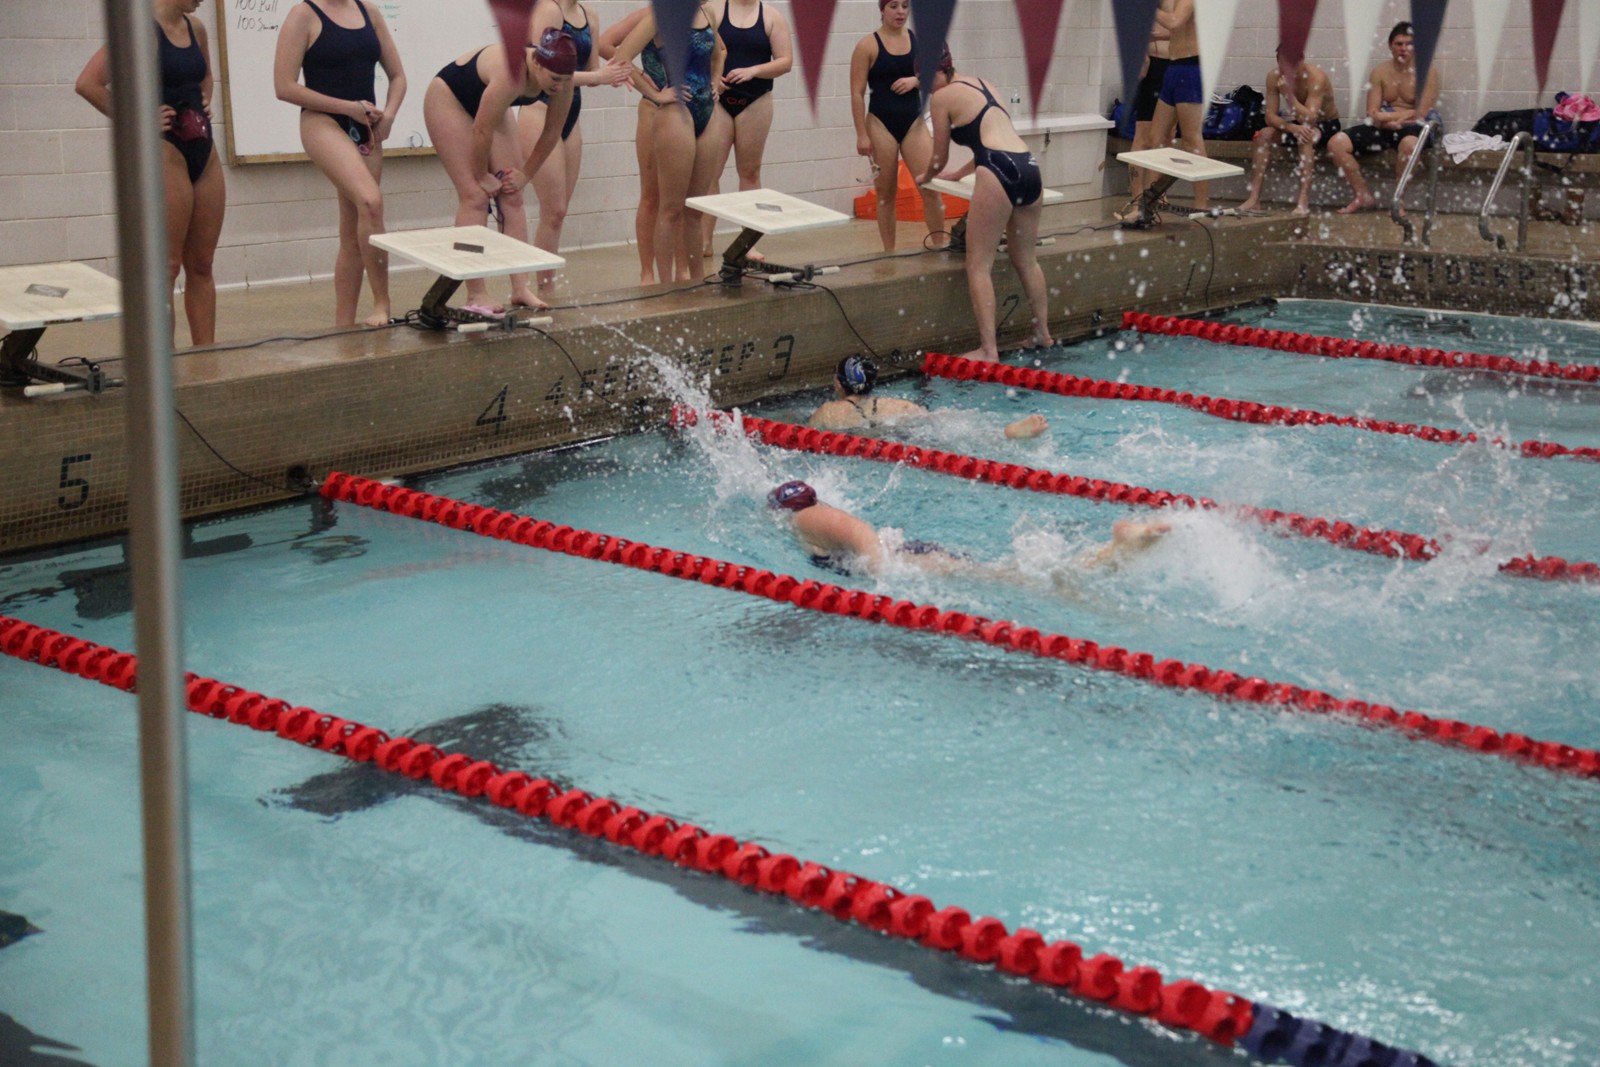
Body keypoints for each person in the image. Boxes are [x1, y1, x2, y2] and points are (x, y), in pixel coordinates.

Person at [76, 0, 225, 346]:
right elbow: (88, 83)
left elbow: (204, 75)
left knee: (202, 264)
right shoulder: (139, 30)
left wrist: (205, 99)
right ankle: (166, 368)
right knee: (167, 267)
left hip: (205, 150)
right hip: (165, 151)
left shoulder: (196, 28)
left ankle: (207, 361)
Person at [423, 28, 578, 313]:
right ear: (536, 63)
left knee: (512, 194)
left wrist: (526, 175)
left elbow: (551, 131)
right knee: (474, 196)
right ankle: (476, 291)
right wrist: (481, 174)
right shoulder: (513, 72)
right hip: (450, 99)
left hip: (492, 106)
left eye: (566, 80)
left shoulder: (563, 80)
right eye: (555, 80)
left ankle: (520, 288)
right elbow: (481, 130)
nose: (559, 87)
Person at [274, 0, 406, 327]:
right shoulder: (303, 15)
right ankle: (381, 304)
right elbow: (284, 87)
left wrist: (388, 115)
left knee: (353, 231)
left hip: (365, 125)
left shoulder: (369, 12)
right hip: (323, 122)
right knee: (370, 201)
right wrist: (346, 107)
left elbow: (398, 76)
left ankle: (343, 326)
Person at [915, 52, 1053, 362]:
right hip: (1028, 166)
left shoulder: (942, 97)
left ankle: (988, 350)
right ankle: (1042, 332)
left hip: (997, 170)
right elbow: (991, 138)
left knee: (978, 265)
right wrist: (961, 173)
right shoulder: (984, 84)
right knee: (1027, 260)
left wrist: (929, 176)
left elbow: (938, 156)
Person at [767, 480, 1169, 579]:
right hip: (913, 554)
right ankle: (1110, 555)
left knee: (1018, 578)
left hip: (911, 560)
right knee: (1011, 573)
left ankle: (1112, 552)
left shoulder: (803, 518)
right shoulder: (808, 513)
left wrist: (880, 570)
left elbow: (860, 533)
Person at [612, 2, 725, 284]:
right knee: (671, 208)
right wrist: (654, 93)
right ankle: (665, 287)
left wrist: (714, 81)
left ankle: (696, 283)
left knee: (695, 210)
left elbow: (718, 53)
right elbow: (620, 58)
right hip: (676, 114)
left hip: (707, 113)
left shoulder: (707, 13)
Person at [517, 0, 624, 297]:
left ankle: (545, 284)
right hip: (540, 110)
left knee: (558, 213)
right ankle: (540, 288)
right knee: (554, 208)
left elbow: (590, 72)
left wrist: (613, 73)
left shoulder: (590, 15)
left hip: (569, 112)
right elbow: (541, 69)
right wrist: (598, 77)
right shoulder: (549, 9)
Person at [698, 0, 794, 257]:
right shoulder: (716, 10)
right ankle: (705, 240)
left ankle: (748, 242)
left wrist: (754, 71)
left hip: (756, 100)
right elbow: (699, 48)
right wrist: (713, 78)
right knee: (710, 172)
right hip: (719, 99)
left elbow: (785, 62)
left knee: (749, 172)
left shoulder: (771, 16)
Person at [850, 0, 946, 251]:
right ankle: (889, 252)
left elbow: (940, 72)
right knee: (886, 194)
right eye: (894, 6)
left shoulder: (918, 40)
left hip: (913, 121)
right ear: (882, 10)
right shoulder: (867, 45)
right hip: (880, 123)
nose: (901, 12)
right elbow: (856, 93)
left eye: (905, 6)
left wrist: (916, 81)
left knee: (930, 186)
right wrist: (862, 135)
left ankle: (939, 244)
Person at [1324, 21, 1442, 215]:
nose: (1404, 49)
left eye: (1409, 44)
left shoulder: (1427, 71)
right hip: (1385, 125)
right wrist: (1385, 120)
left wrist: (1389, 117)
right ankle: (1363, 195)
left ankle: (1398, 199)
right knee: (1336, 143)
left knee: (1410, 145)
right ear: (1390, 46)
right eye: (1399, 44)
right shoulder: (1380, 72)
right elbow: (1372, 111)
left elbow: (1421, 110)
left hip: (1417, 125)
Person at [808, 355, 1048, 440]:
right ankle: (1000, 434)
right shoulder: (898, 405)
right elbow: (938, 419)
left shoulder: (828, 412)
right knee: (944, 428)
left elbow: (805, 438)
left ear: (839, 382)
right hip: (903, 433)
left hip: (860, 442)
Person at [1237, 49, 1340, 217]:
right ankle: (1254, 198)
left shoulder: (1316, 78)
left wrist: (1289, 96)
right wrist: (1292, 128)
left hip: (1326, 124)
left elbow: (1310, 119)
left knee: (1305, 138)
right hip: (1298, 124)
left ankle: (1303, 201)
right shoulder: (1274, 77)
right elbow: (1270, 117)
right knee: (1263, 135)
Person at [598, 7, 660, 285]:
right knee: (652, 196)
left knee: (683, 202)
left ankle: (683, 271)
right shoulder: (653, 12)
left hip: (693, 112)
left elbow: (719, 49)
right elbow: (605, 44)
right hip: (656, 108)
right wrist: (640, 79)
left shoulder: (705, 14)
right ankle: (647, 271)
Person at [1145, 0, 1209, 211]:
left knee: (1191, 141)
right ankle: (1148, 205)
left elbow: (1174, 22)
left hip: (1190, 69)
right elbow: (1178, 31)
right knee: (1155, 139)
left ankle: (1201, 206)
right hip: (1173, 69)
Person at [1122, 0, 1173, 210]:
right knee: (1143, 136)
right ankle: (1137, 197)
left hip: (1175, 65)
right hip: (1153, 64)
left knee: (1168, 135)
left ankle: (1156, 193)